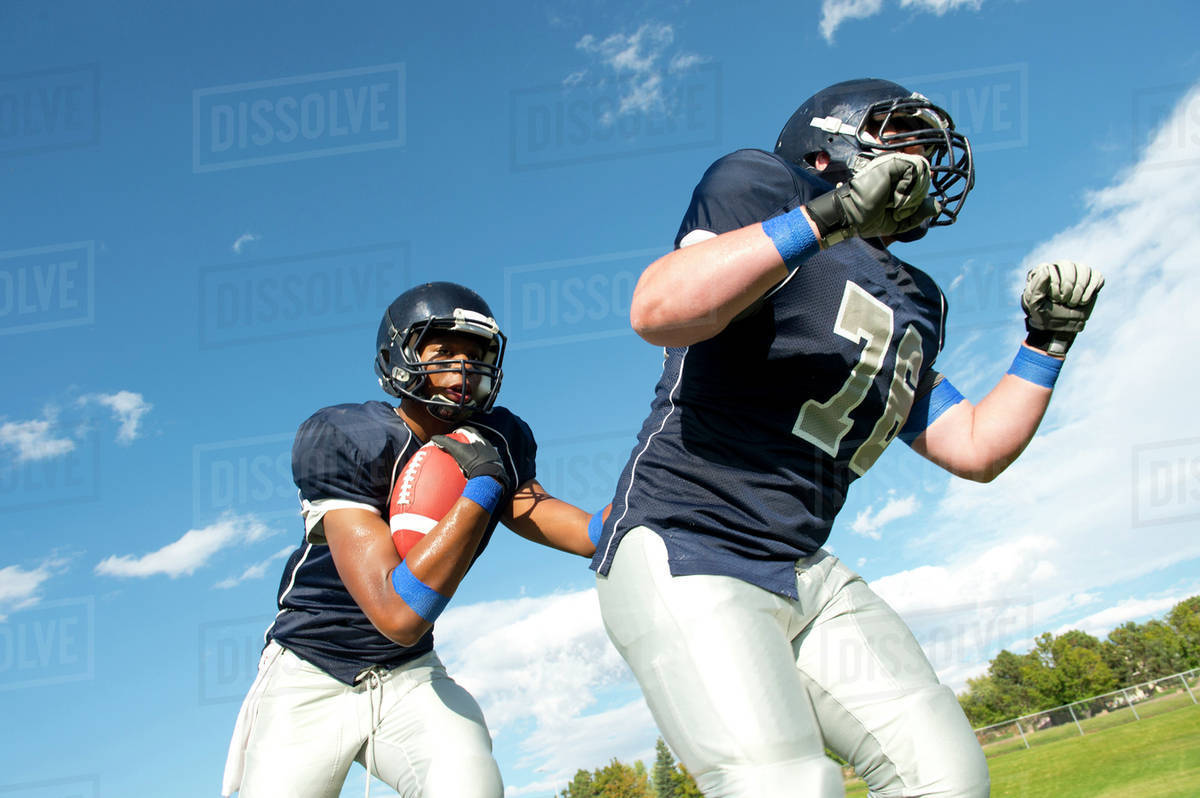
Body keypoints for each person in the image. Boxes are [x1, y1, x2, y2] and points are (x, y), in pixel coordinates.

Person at [588, 78, 1104, 797]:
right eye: (905, 138)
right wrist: (824, 219)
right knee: (791, 786)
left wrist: (1045, 345)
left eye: (932, 147)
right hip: (690, 541)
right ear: (827, 148)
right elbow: (659, 307)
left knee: (946, 777)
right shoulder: (766, 182)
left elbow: (975, 446)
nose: (925, 159)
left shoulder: (919, 298)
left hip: (807, 568)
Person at [222, 281, 597, 798]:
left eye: (476, 355)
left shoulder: (498, 435)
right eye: (444, 352)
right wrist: (482, 483)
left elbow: (533, 506)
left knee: (470, 786)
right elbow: (398, 613)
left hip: (408, 671)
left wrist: (619, 528)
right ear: (401, 357)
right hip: (311, 669)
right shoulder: (348, 435)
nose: (464, 368)